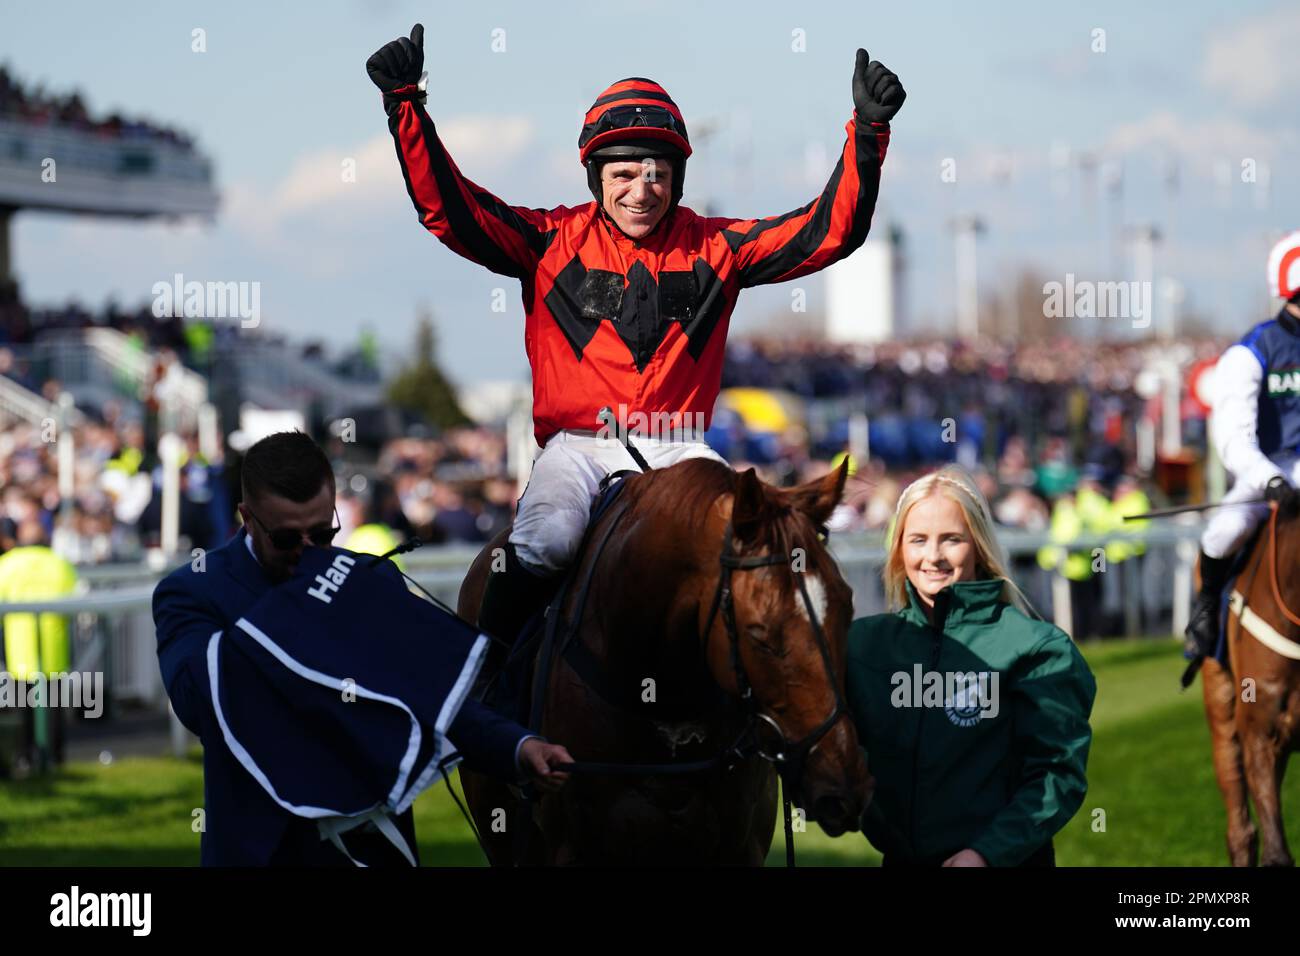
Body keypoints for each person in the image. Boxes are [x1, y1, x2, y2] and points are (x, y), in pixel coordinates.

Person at [366, 24, 905, 658]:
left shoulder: (719, 247)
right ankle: (488, 688)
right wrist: (406, 104)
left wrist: (867, 135)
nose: (640, 190)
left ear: (676, 176)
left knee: (747, 547)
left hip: (681, 449)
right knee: (546, 543)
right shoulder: (546, 241)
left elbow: (826, 232)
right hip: (577, 449)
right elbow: (451, 210)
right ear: (596, 177)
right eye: (623, 173)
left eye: (656, 174)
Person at [153, 431, 571, 865]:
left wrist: (518, 747)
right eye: (286, 539)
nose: (307, 551)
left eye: (322, 533)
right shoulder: (192, 590)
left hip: (371, 845)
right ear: (246, 518)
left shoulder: (367, 579)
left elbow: (431, 694)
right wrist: (302, 601)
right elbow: (195, 704)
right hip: (264, 849)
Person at [845, 465, 1096, 866]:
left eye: (951, 540)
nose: (933, 556)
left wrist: (985, 854)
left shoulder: (1039, 649)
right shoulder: (862, 645)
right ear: (898, 549)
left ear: (978, 545)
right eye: (918, 540)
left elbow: (1056, 777)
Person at [1185, 230, 1300, 669]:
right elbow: (1234, 438)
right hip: (1271, 475)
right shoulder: (1253, 349)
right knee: (1223, 531)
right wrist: (1269, 479)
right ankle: (1205, 616)